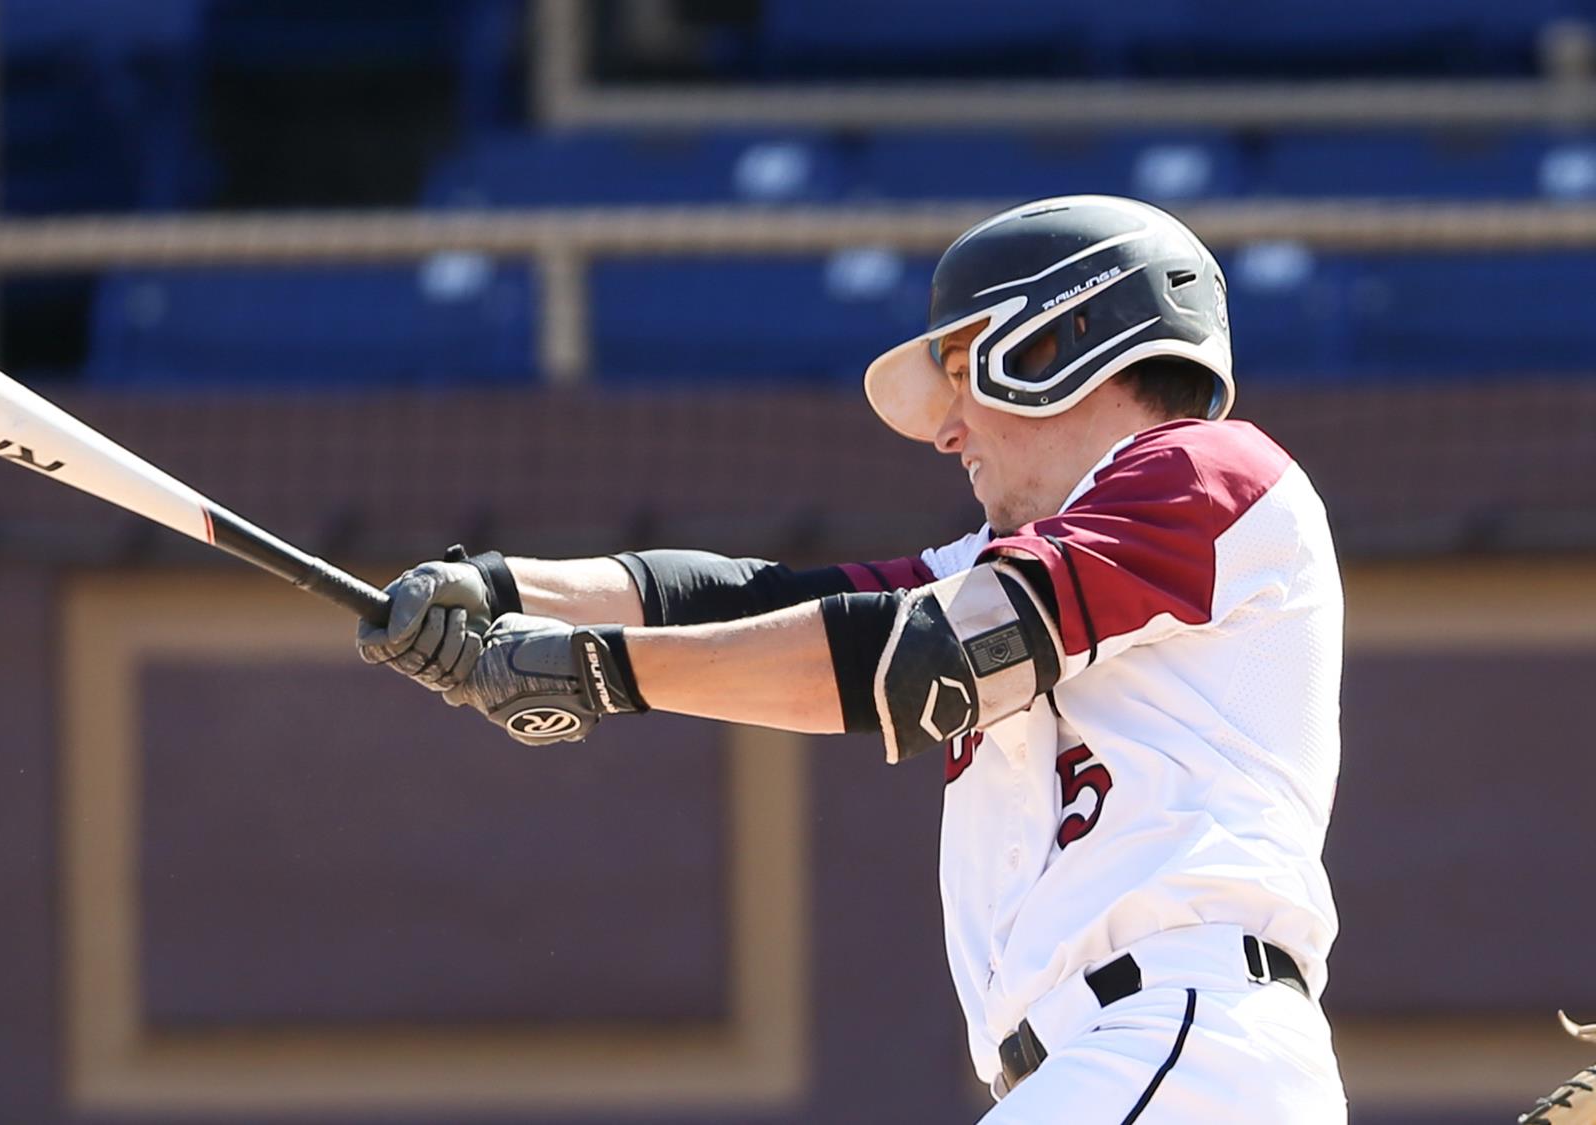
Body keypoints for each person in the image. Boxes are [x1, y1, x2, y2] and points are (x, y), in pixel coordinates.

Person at [357, 195, 1348, 1122]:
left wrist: (599, 670)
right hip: (1118, 1064)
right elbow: (766, 603)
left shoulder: (1204, 471)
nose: (948, 430)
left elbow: (921, 657)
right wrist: (502, 589)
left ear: (1057, 341)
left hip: (1180, 1041)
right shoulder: (1007, 555)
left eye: (962, 371)